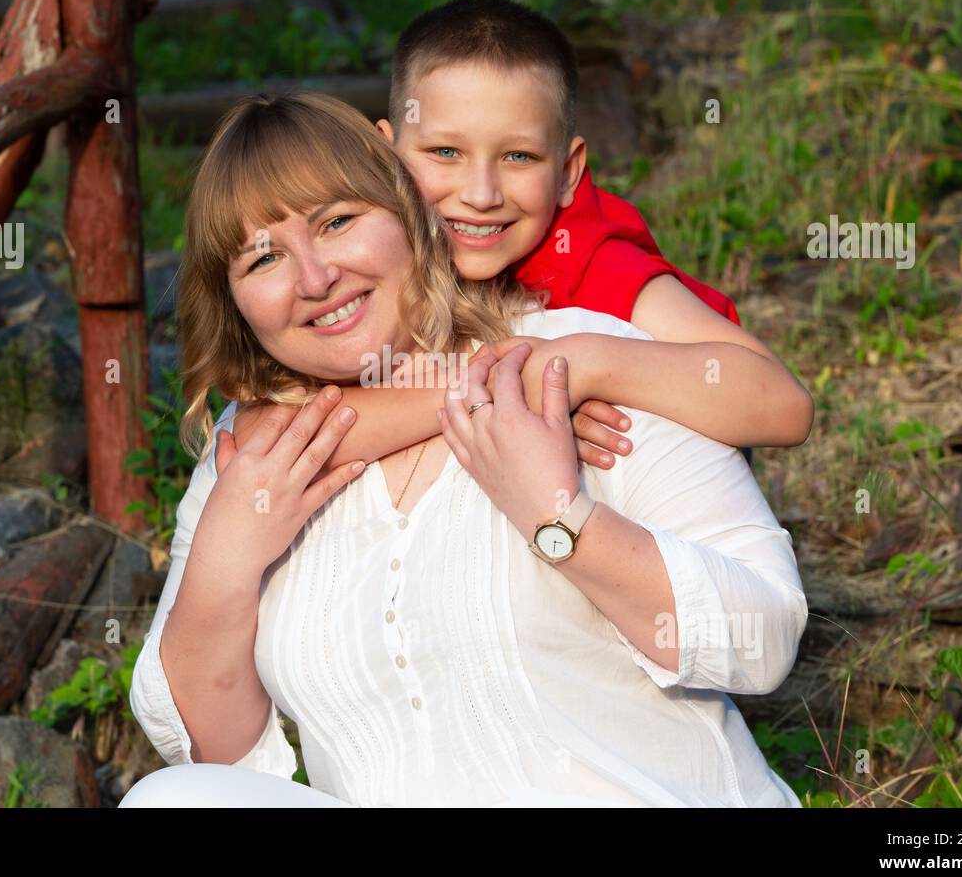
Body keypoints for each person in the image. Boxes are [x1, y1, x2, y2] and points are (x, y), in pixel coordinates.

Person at [122, 91, 808, 808]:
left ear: (408, 210)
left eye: (339, 222)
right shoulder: (256, 456)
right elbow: (218, 755)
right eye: (264, 258)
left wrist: (559, 521)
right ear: (232, 300)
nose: (315, 278)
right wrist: (226, 565)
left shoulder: (576, 362)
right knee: (173, 802)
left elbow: (765, 638)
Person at [246, 0, 813, 476]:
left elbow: (784, 406)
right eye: (446, 152)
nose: (482, 194)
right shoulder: (373, 253)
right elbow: (282, 435)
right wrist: (501, 387)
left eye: (519, 156)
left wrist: (583, 366)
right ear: (386, 152)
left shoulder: (593, 258)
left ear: (567, 173)